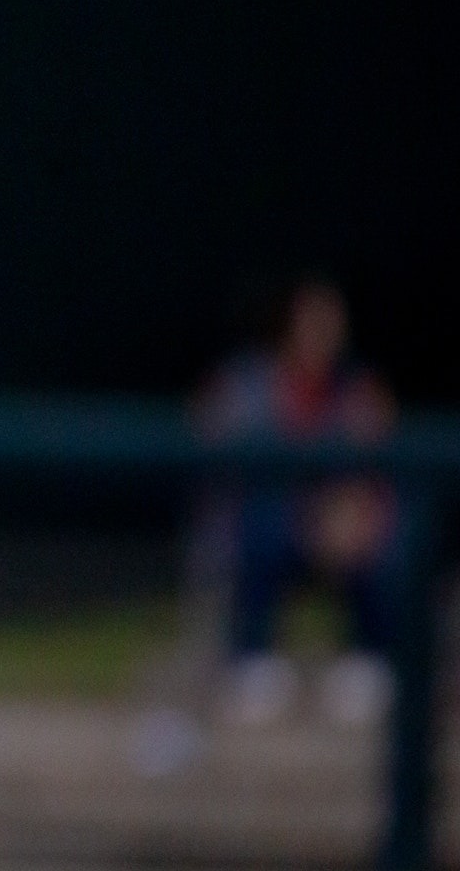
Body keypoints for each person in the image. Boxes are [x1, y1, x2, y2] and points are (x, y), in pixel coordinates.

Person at [194, 276, 401, 728]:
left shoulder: (357, 388)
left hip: (338, 530)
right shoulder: (247, 382)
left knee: (385, 532)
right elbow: (210, 452)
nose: (323, 334)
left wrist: (352, 508)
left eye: (332, 323)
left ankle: (368, 659)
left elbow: (378, 466)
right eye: (312, 322)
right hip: (266, 527)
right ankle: (253, 662)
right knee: (260, 522)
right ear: (288, 326)